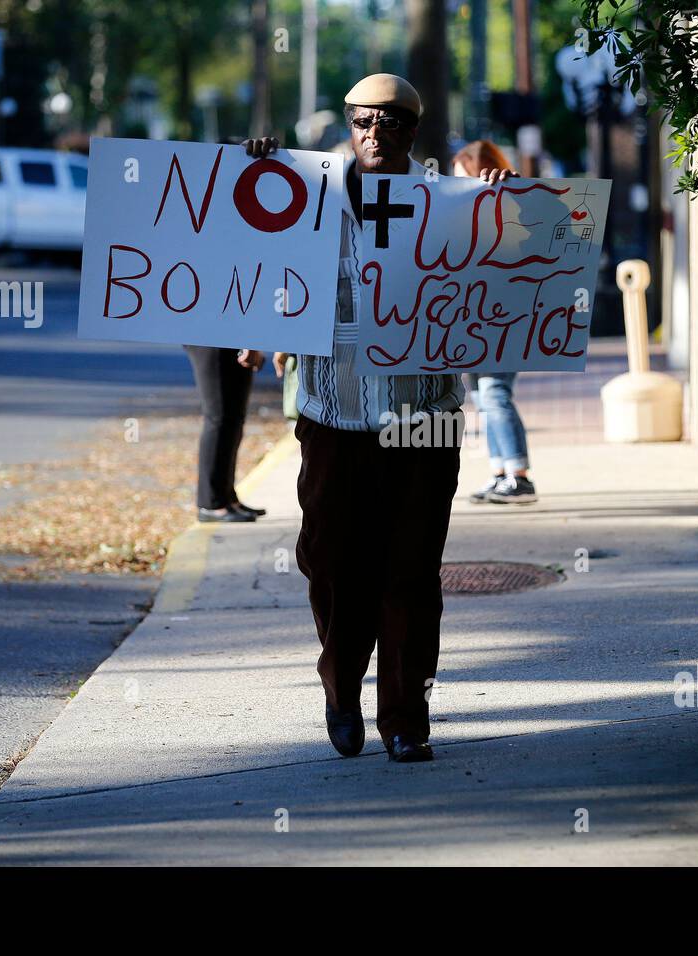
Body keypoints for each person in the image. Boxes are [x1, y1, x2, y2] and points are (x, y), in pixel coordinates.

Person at [248, 74, 516, 763]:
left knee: (410, 575)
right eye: (364, 121)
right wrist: (246, 181)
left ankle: (404, 717)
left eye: (391, 123)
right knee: (332, 564)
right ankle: (340, 688)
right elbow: (260, 267)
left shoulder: (449, 205)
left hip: (421, 421)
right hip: (332, 415)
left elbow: (509, 277)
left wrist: (501, 213)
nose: (375, 134)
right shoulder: (302, 196)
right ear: (349, 124)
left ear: (412, 133)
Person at [451, 141, 537, 505]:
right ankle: (502, 472)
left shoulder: (506, 203)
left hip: (502, 318)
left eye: (463, 179)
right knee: (484, 397)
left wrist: (510, 191)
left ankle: (518, 476)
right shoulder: (466, 214)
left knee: (494, 394)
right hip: (475, 317)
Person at [183, 345, 266, 523]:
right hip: (213, 337)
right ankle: (211, 503)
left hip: (233, 336)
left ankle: (227, 497)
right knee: (219, 416)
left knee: (234, 417)